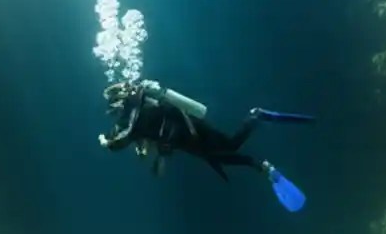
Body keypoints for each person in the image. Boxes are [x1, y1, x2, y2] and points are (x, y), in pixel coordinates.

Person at [97, 80, 314, 212]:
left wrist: (107, 142)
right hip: (188, 142)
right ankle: (264, 168)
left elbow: (124, 138)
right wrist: (149, 153)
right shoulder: (134, 120)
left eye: (115, 108)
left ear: (121, 100)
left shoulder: (137, 107)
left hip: (193, 130)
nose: (116, 114)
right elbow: (140, 145)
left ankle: (255, 116)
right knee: (220, 158)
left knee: (231, 146)